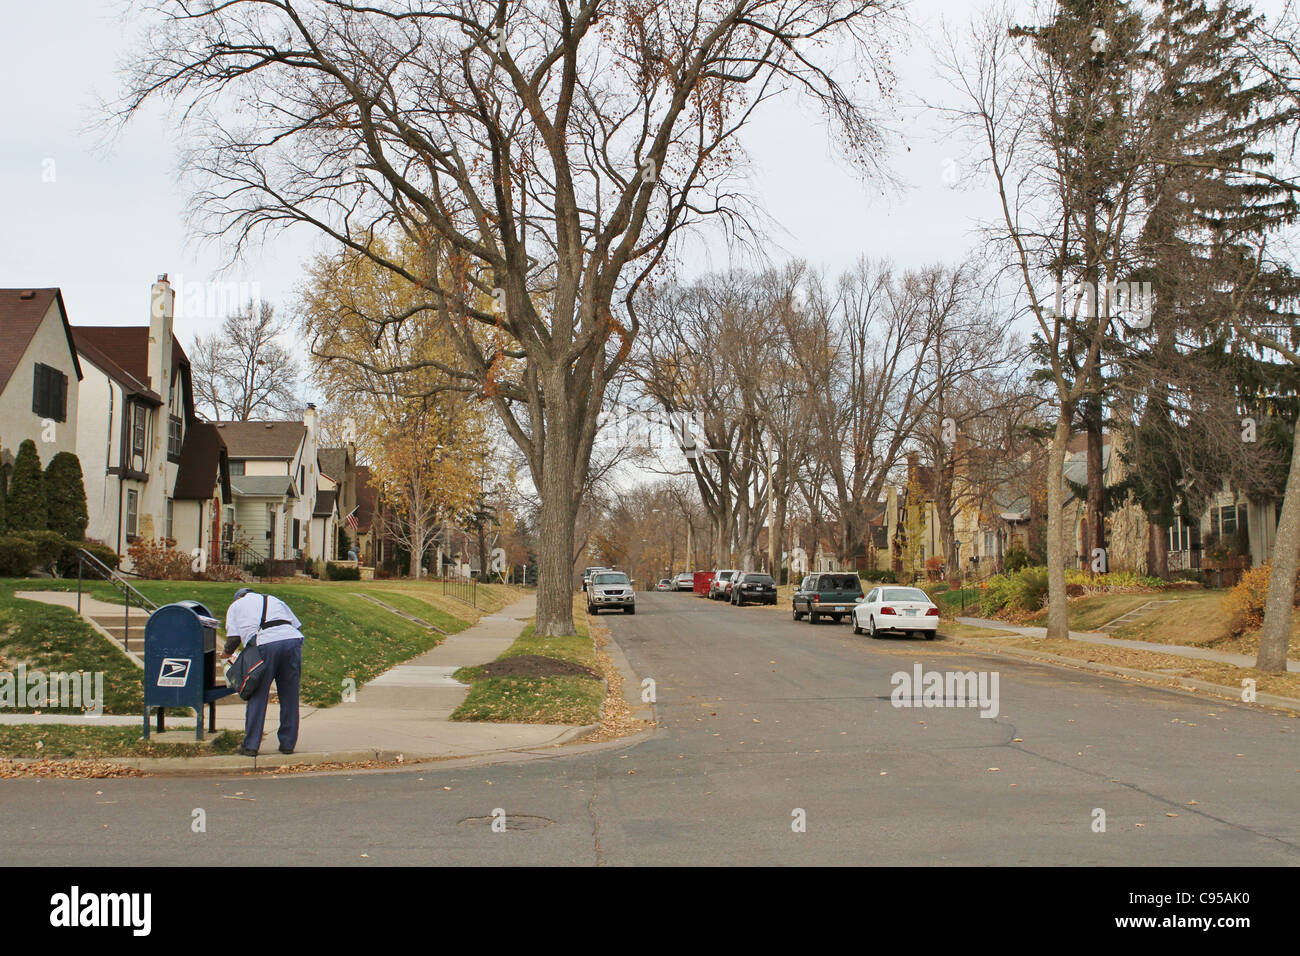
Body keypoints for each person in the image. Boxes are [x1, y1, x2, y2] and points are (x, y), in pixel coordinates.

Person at [223, 587, 305, 757]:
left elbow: (233, 639)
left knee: (258, 694)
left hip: (265, 645)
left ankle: (251, 746)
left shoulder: (236, 606)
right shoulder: (274, 599)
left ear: (239, 597)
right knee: (290, 695)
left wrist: (226, 655)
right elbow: (296, 624)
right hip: (292, 642)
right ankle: (287, 744)